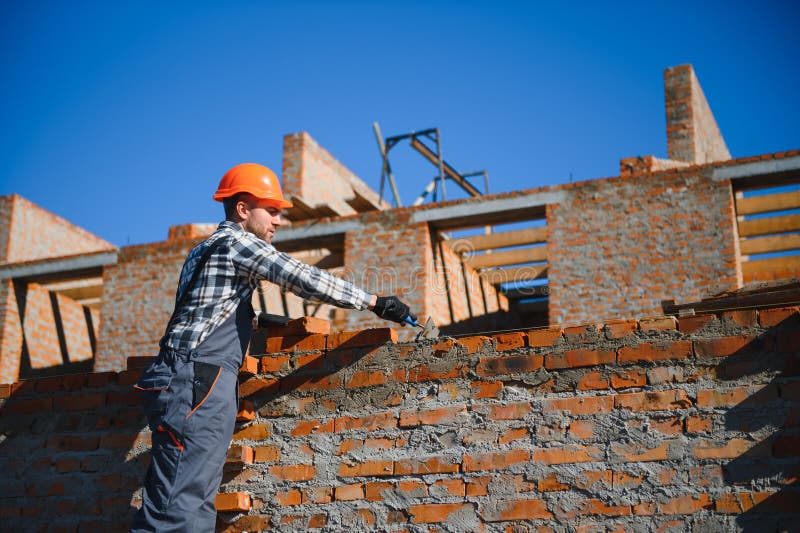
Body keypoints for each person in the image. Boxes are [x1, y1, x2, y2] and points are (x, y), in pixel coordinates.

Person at [130, 163, 414, 532]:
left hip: (184, 379)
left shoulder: (202, 250)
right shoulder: (239, 243)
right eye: (272, 210)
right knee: (179, 505)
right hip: (198, 381)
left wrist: (257, 320)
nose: (278, 221)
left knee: (192, 493)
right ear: (243, 209)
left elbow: (203, 310)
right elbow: (302, 277)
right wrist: (374, 301)